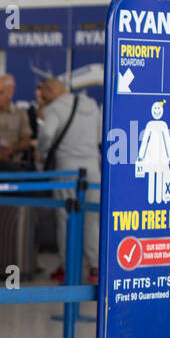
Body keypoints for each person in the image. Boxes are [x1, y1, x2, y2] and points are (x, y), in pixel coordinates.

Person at [35, 78, 101, 284]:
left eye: (42, 93)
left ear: (50, 90)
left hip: (67, 169)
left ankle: (67, 268)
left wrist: (40, 150)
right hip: (92, 168)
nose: (41, 98)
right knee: (92, 220)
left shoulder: (54, 109)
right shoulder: (90, 105)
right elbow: (99, 135)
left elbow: (47, 134)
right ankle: (95, 268)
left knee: (65, 219)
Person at [0, 74, 33, 166]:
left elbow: (26, 140)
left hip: (14, 163)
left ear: (8, 93)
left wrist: (12, 149)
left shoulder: (20, 113)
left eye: (0, 93)